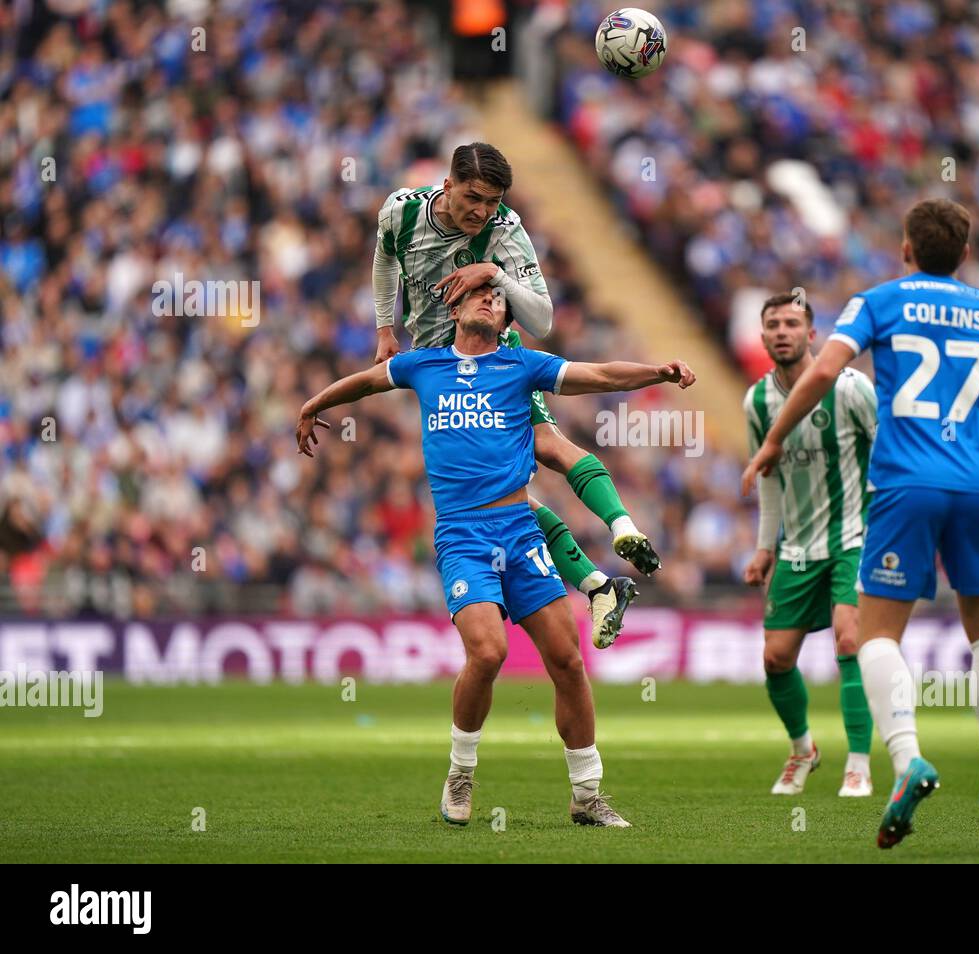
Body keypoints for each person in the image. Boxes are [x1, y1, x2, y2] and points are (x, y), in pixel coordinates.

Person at [742, 199, 979, 848]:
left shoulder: (878, 302)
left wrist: (775, 439)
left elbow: (824, 372)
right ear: (967, 255)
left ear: (905, 249)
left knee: (875, 637)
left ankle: (906, 760)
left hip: (904, 485)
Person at [298, 283, 696, 828]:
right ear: (454, 309)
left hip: (520, 531)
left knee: (569, 661)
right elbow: (367, 382)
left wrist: (657, 372)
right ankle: (460, 774)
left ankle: (587, 796)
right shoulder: (423, 365)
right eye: (480, 295)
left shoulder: (522, 366)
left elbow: (596, 375)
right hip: (462, 535)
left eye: (499, 298)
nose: (491, 301)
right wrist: (314, 403)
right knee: (487, 653)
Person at [373, 142, 657, 648]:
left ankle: (621, 529)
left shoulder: (505, 228)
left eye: (493, 200)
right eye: (474, 198)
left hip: (492, 355)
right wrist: (383, 327)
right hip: (438, 368)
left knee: (545, 446)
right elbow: (385, 259)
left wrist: (496, 273)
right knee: (499, 498)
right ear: (448, 185)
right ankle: (597, 585)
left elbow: (542, 320)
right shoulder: (402, 210)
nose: (483, 212)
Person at [741, 292, 878, 797]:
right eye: (772, 324)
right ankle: (804, 750)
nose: (781, 331)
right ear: (762, 337)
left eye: (791, 323)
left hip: (855, 535)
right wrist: (764, 548)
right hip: (798, 545)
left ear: (811, 333)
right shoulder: (756, 402)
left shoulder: (851, 388)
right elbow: (770, 480)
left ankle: (859, 764)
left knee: (849, 639)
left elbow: (886, 453)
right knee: (775, 658)